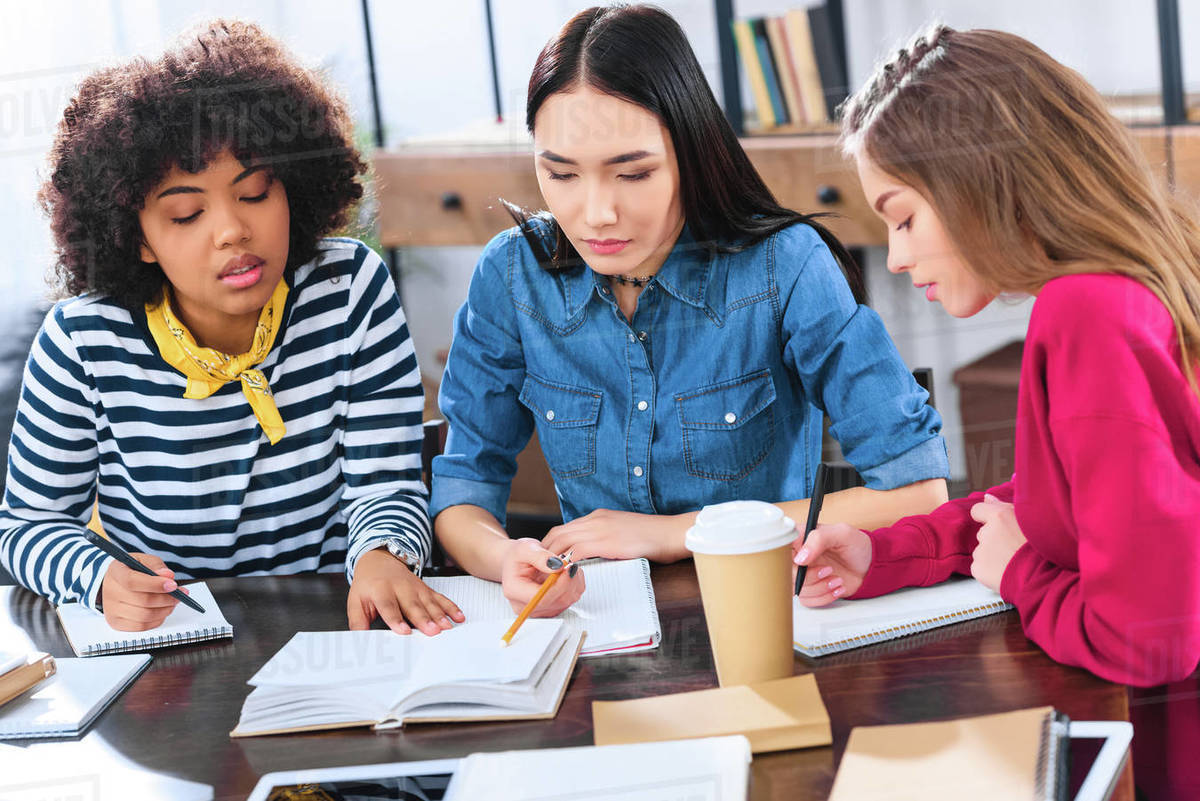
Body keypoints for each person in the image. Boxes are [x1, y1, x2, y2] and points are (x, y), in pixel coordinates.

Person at [432, 4, 951, 616]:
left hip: (758, 616)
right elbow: (463, 487)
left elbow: (919, 492)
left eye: (633, 174)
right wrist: (504, 559)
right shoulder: (512, 275)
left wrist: (676, 533)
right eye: (562, 174)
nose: (596, 213)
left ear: (689, 152)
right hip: (596, 627)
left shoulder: (784, 267)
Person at [0, 20, 465, 636]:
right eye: (187, 213)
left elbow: (387, 480)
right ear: (137, 238)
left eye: (254, 194)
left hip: (336, 624)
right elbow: (28, 526)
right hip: (173, 653)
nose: (232, 231)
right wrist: (99, 576)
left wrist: (382, 554)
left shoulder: (346, 287)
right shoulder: (83, 342)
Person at [795, 25, 1200, 688]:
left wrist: (1020, 574)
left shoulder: (1087, 315)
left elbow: (1144, 641)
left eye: (903, 218)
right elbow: (1068, 502)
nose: (895, 258)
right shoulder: (1137, 282)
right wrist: (886, 552)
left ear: (978, 180)